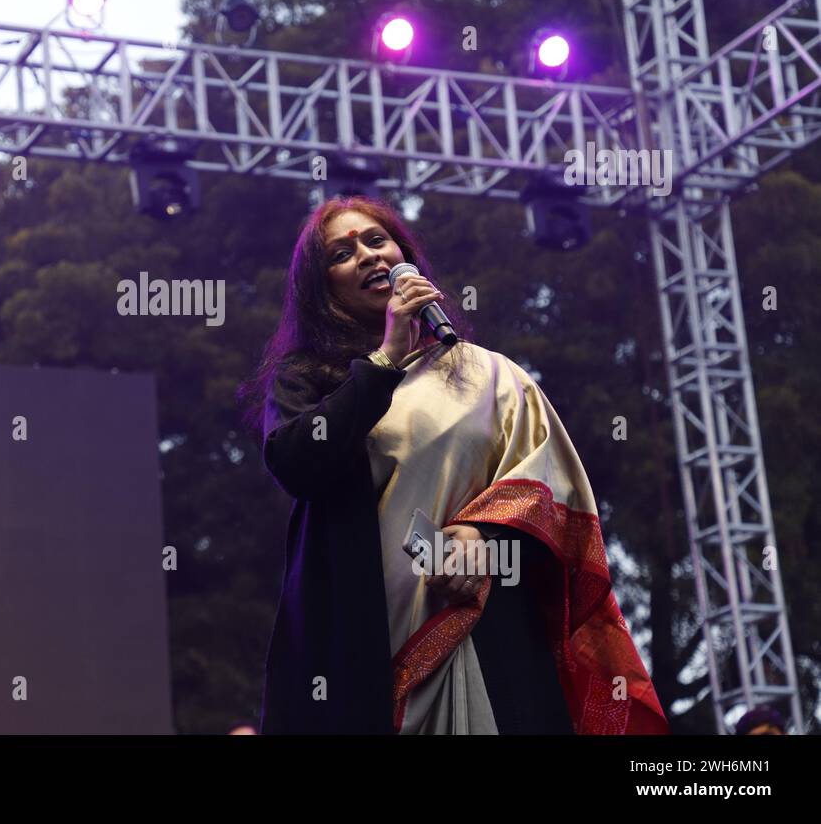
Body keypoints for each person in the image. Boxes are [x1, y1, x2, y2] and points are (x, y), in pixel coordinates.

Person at [238, 194, 667, 734]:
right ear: (322, 290)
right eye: (341, 254)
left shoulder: (489, 376)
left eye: (377, 241)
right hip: (366, 641)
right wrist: (385, 360)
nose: (368, 256)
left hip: (490, 625)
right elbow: (299, 464)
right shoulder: (308, 378)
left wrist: (481, 534)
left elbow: (551, 491)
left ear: (405, 257)